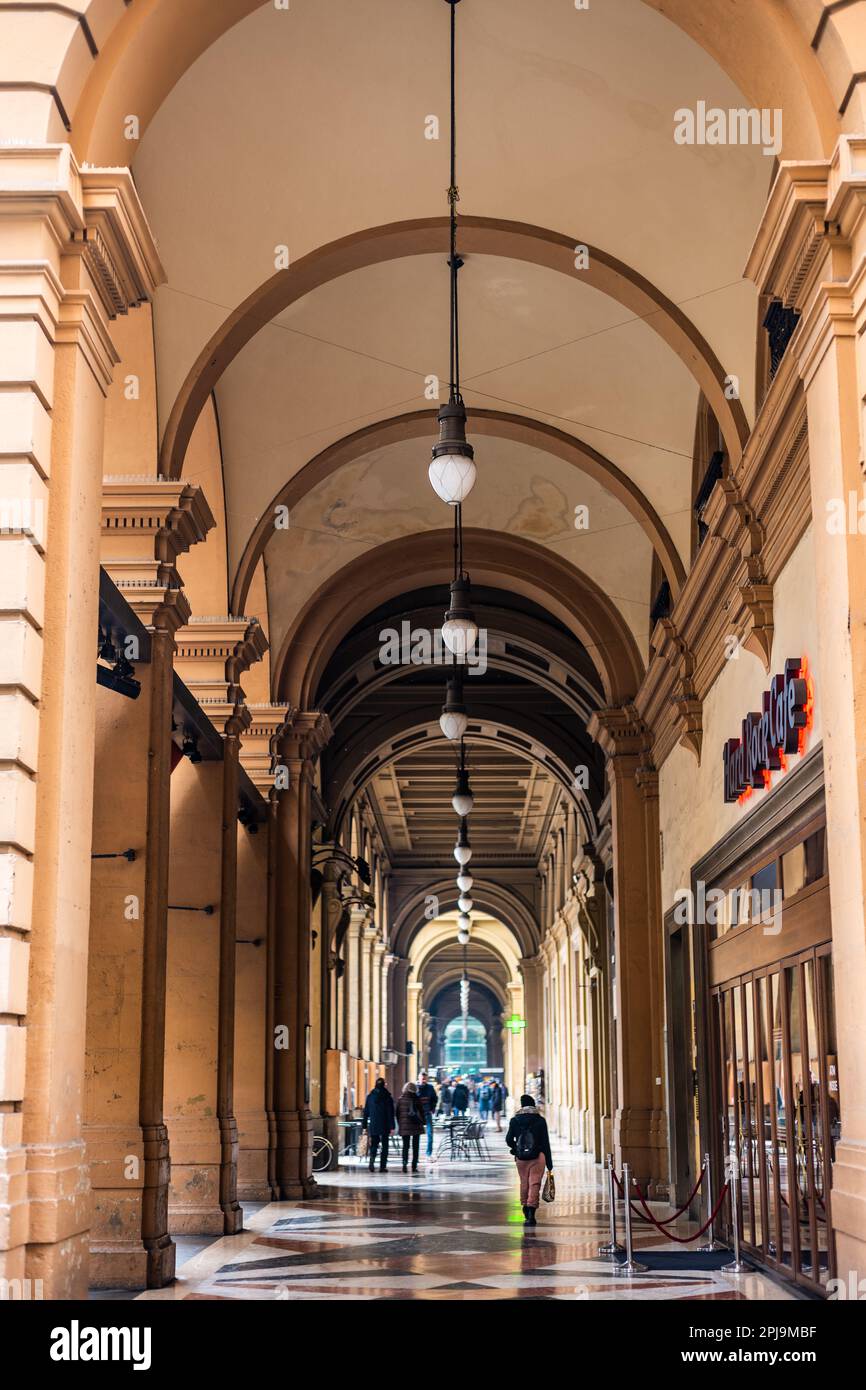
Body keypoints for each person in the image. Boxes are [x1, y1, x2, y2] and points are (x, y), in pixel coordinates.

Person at [505, 1094, 553, 1226]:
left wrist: (516, 1149)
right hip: (539, 1156)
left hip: (521, 1158)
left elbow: (509, 1140)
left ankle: (525, 1206)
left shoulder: (515, 1120)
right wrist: (549, 1163)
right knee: (535, 1183)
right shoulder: (540, 1120)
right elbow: (546, 1142)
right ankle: (531, 1211)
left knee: (524, 1182)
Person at [362, 1077, 395, 1173]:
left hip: (374, 1124)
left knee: (374, 1145)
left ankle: (371, 1163)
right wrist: (392, 1126)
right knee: (385, 1146)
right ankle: (382, 1166)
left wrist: (364, 1126)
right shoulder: (388, 1097)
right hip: (385, 1125)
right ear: (384, 1085)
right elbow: (390, 1113)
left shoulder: (370, 1097)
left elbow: (366, 1112)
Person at [395, 1081, 426, 1173]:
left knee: (405, 1146)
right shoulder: (417, 1099)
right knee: (415, 1146)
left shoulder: (400, 1099)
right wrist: (423, 1122)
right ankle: (414, 1165)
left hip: (405, 1125)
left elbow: (397, 1113)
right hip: (416, 1125)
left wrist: (401, 1123)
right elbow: (422, 1112)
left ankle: (404, 1163)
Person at [416, 1071, 438, 1159]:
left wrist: (432, 1108)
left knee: (430, 1133)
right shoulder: (416, 1088)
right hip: (418, 1114)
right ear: (419, 1078)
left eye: (425, 1078)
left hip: (427, 1112)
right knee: (416, 1134)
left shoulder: (430, 1087)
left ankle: (429, 1154)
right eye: (422, 1078)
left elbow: (434, 1098)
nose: (423, 1080)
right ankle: (416, 1155)